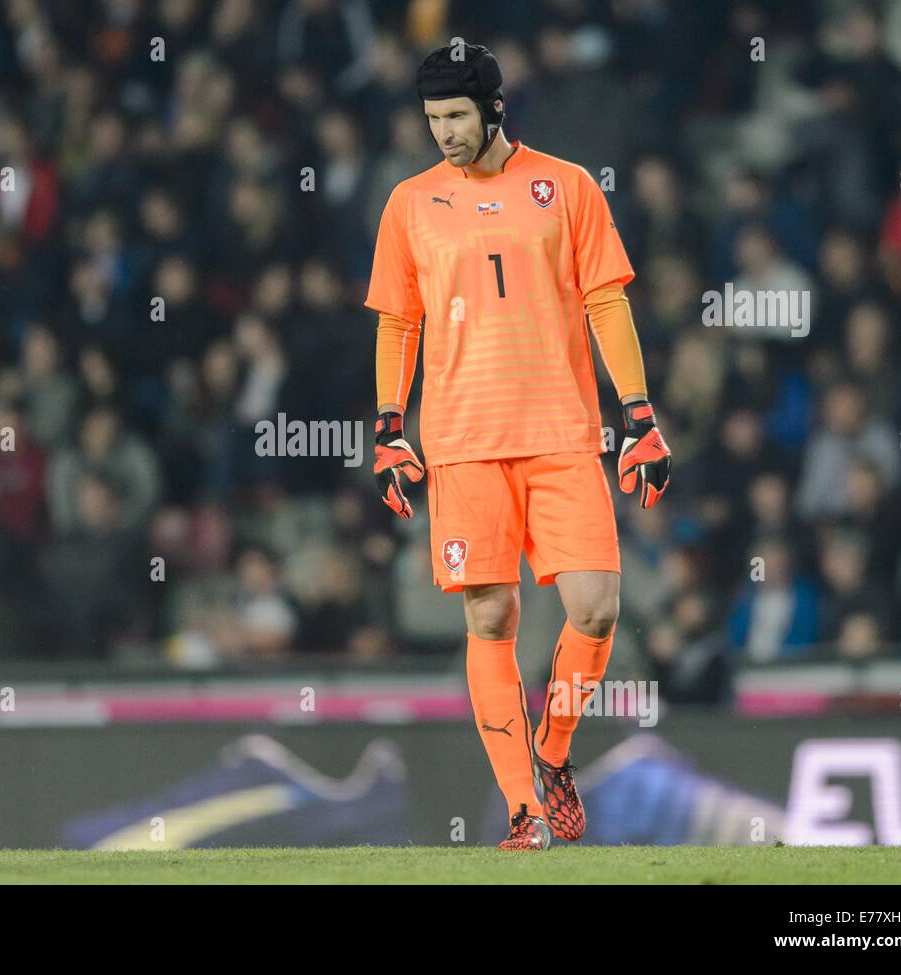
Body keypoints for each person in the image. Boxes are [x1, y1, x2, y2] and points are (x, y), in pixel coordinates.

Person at [366, 43, 671, 851]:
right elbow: (398, 321)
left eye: (457, 115)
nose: (444, 133)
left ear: (495, 109)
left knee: (596, 607)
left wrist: (640, 415)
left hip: (563, 431)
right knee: (491, 612)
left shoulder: (566, 187)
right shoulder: (409, 203)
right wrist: (389, 427)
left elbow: (606, 302)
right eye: (433, 119)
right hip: (463, 440)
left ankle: (555, 748)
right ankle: (522, 808)